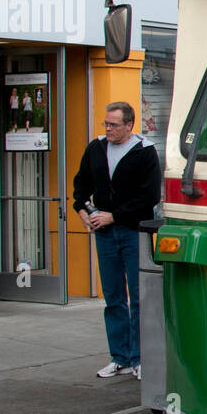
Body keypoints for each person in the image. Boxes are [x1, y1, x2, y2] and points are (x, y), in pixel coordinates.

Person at [73, 102, 161, 379]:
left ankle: (139, 358)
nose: (108, 129)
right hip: (105, 232)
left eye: (113, 125)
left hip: (133, 229)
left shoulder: (145, 152)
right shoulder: (96, 148)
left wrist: (115, 216)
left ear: (129, 125)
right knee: (112, 297)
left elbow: (149, 197)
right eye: (106, 124)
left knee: (138, 296)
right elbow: (81, 185)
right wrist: (83, 211)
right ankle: (119, 356)